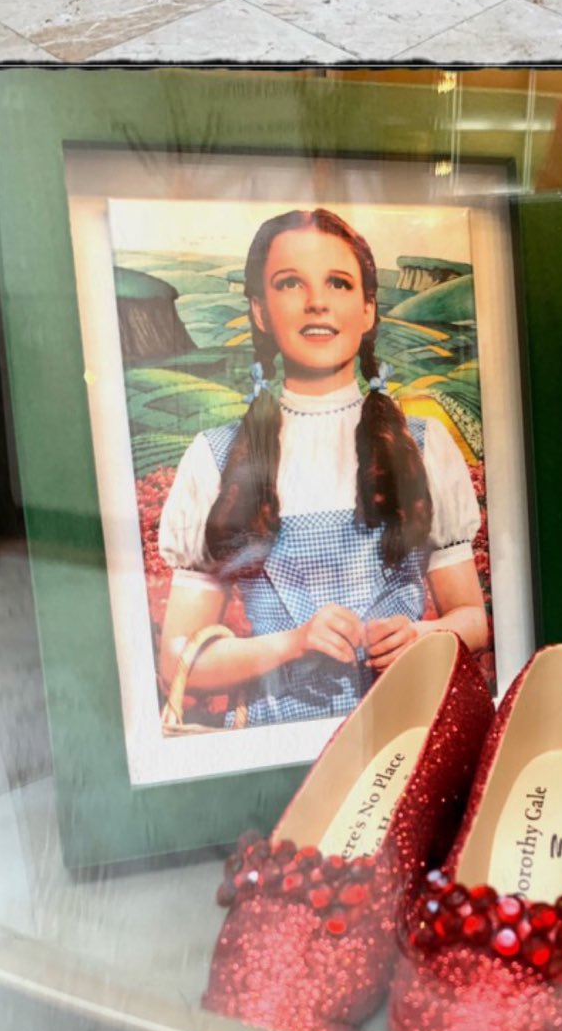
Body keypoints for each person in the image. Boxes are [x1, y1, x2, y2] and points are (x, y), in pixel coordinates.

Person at [156, 208, 488, 726]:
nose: (317, 302)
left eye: (338, 282)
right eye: (290, 283)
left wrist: (423, 637)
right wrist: (292, 643)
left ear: (369, 309)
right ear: (261, 311)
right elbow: (178, 662)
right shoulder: (216, 458)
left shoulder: (424, 447)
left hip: (403, 739)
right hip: (276, 752)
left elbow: (472, 618)